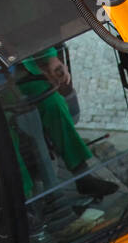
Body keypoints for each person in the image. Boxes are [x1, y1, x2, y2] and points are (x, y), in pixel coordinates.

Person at [13, 47, 117, 199]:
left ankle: (82, 176)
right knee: (0, 131)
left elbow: (24, 31)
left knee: (53, 102)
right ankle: (24, 196)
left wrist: (50, 59)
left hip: (16, 80)